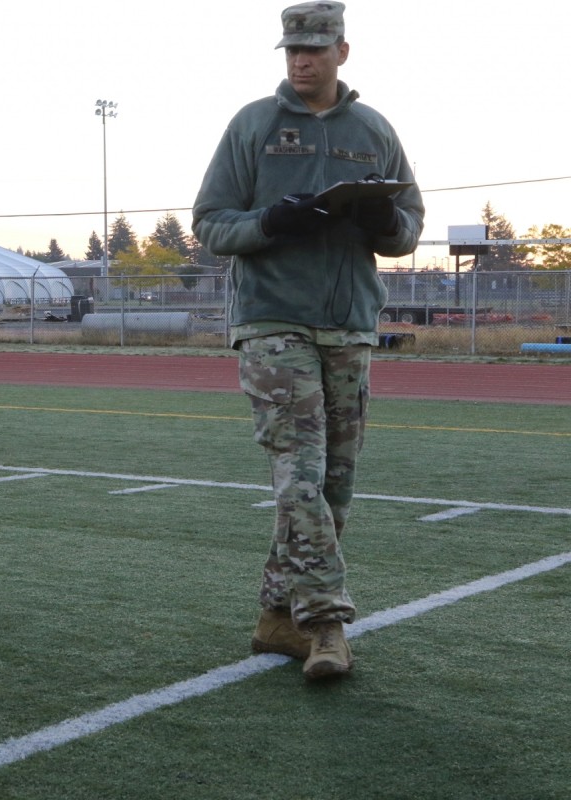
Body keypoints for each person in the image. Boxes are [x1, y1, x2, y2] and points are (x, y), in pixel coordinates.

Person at [191, 1, 423, 680]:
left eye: (316, 49)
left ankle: (274, 617)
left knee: (336, 483)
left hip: (349, 324)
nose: (302, 60)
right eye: (293, 49)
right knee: (299, 472)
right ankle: (325, 624)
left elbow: (408, 225)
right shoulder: (253, 126)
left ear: (341, 53)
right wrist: (273, 221)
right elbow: (210, 223)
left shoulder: (374, 129)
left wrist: (384, 220)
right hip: (272, 322)